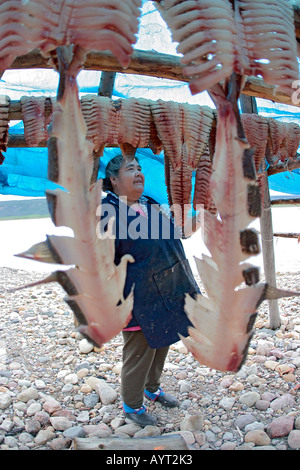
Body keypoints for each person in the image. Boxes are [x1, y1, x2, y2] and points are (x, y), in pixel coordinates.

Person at [100, 154, 202, 426]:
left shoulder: (151, 204)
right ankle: (132, 407)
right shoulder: (106, 211)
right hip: (137, 296)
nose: (139, 173)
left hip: (169, 287)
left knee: (164, 338)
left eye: (140, 168)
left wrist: (203, 213)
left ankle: (152, 388)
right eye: (130, 169)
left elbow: (180, 232)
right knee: (139, 350)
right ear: (113, 179)